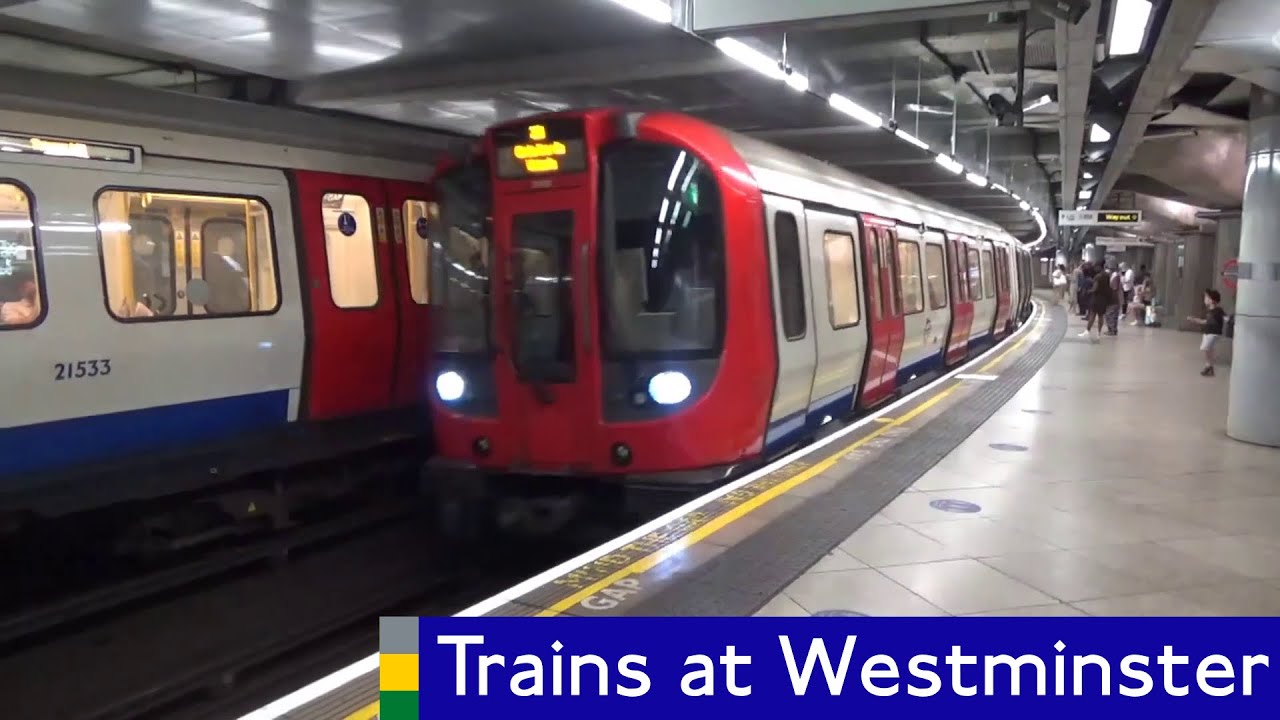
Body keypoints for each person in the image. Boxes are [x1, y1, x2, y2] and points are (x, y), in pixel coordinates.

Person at [1187, 289, 1227, 377]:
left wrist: (1228, 319)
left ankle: (1209, 366)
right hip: (1208, 333)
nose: (1205, 299)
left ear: (1212, 300)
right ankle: (1209, 367)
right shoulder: (1210, 311)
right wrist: (1194, 320)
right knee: (1208, 349)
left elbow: (1225, 317)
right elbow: (1205, 321)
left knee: (1206, 348)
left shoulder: (1218, 310)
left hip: (1214, 333)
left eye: (1206, 297)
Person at [1104, 263, 1123, 335]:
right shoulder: (1114, 276)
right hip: (1114, 299)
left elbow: (1114, 288)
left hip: (1113, 299)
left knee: (1110, 314)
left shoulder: (1115, 276)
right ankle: (1113, 329)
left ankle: (1111, 330)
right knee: (1113, 314)